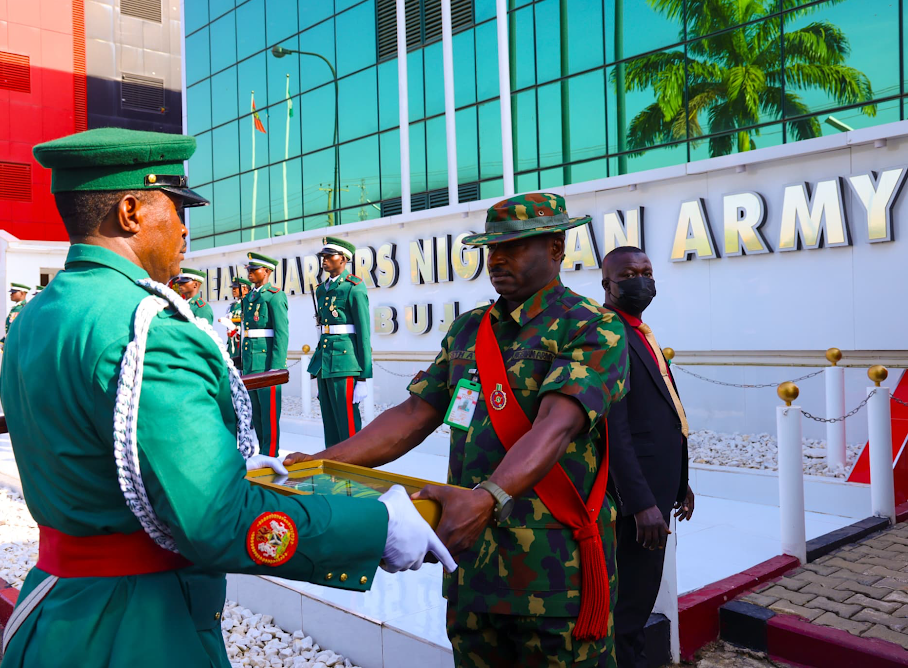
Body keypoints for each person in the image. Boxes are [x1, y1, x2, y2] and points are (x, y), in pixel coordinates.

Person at [0, 127, 454, 667]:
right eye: (177, 209)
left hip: (56, 610)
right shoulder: (149, 329)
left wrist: (219, 458)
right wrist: (380, 527)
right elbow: (216, 521)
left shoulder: (37, 315)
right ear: (130, 212)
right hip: (136, 628)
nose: (186, 232)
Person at [287, 193, 630, 668]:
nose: (498, 258)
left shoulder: (592, 326)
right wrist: (326, 462)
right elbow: (413, 414)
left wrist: (487, 497)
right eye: (492, 248)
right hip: (470, 559)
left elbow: (557, 425)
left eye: (513, 245)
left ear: (556, 248)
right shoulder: (470, 329)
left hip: (553, 568)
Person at [602, 246, 694, 668]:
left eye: (647, 272)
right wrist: (641, 503)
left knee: (638, 600)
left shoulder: (639, 331)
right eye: (629, 274)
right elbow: (614, 429)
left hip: (658, 490)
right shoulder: (610, 335)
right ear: (607, 284)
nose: (641, 281)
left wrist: (680, 482)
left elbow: (666, 412)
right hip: (634, 503)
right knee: (629, 606)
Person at [308, 236, 372, 447]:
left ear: (343, 259)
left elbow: (363, 333)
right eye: (323, 256)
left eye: (329, 255)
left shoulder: (354, 287)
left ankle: (354, 466)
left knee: (347, 423)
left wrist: (363, 377)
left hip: (345, 362)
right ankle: (333, 467)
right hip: (325, 362)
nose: (324, 259)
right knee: (330, 421)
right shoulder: (321, 289)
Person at [242, 252, 288, 457]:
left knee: (269, 412)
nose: (250, 273)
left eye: (254, 270)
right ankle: (262, 452)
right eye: (249, 270)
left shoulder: (275, 295)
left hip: (267, 361)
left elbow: (281, 331)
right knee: (256, 412)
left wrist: (276, 367)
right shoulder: (249, 297)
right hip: (251, 361)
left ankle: (271, 454)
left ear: (267, 272)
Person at [217, 276, 250, 369]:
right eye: (233, 288)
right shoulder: (232, 306)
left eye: (236, 288)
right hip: (232, 344)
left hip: (242, 343)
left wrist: (235, 328)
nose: (233, 290)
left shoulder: (247, 304)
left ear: (245, 289)